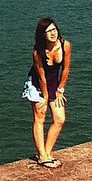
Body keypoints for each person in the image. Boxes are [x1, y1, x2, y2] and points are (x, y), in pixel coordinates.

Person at [22, 17, 72, 169]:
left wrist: (60, 89)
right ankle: (42, 156)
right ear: (42, 35)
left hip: (54, 85)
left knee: (60, 119)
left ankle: (47, 153)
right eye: (48, 31)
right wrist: (45, 97)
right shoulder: (38, 53)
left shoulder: (65, 45)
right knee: (40, 118)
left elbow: (66, 69)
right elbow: (41, 77)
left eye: (54, 29)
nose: (52, 33)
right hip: (37, 85)